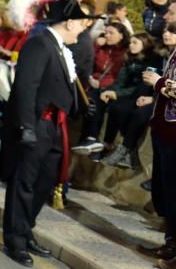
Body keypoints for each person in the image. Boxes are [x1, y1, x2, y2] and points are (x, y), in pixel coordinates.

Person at [1, 0, 91, 267]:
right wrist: (26, 127)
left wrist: (79, 106)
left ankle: (26, 230)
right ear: (67, 22)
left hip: (56, 127)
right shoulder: (39, 43)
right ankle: (14, 239)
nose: (83, 28)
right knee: (24, 184)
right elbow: (26, 88)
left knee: (44, 183)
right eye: (80, 23)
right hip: (38, 123)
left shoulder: (62, 47)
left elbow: (63, 84)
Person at [100, 32, 162, 170]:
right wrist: (111, 91)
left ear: (144, 45)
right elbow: (122, 80)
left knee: (136, 112)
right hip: (139, 94)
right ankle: (110, 146)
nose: (130, 45)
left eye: (135, 43)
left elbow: (144, 85)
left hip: (154, 97)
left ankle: (126, 149)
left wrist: (151, 98)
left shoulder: (154, 58)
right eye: (131, 42)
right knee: (116, 107)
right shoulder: (130, 58)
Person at [141, 23, 176, 266]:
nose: (167, 33)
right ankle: (170, 242)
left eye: (173, 30)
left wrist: (158, 82)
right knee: (164, 190)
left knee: (173, 191)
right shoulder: (172, 53)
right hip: (163, 128)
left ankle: (173, 246)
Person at [73, 21, 131, 154]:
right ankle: (88, 139)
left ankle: (91, 138)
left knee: (95, 101)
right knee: (89, 100)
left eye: (111, 33)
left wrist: (102, 84)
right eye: (106, 32)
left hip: (112, 86)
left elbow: (120, 76)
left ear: (122, 36)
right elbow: (87, 62)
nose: (107, 36)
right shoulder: (101, 47)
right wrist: (96, 46)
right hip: (94, 83)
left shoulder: (125, 52)